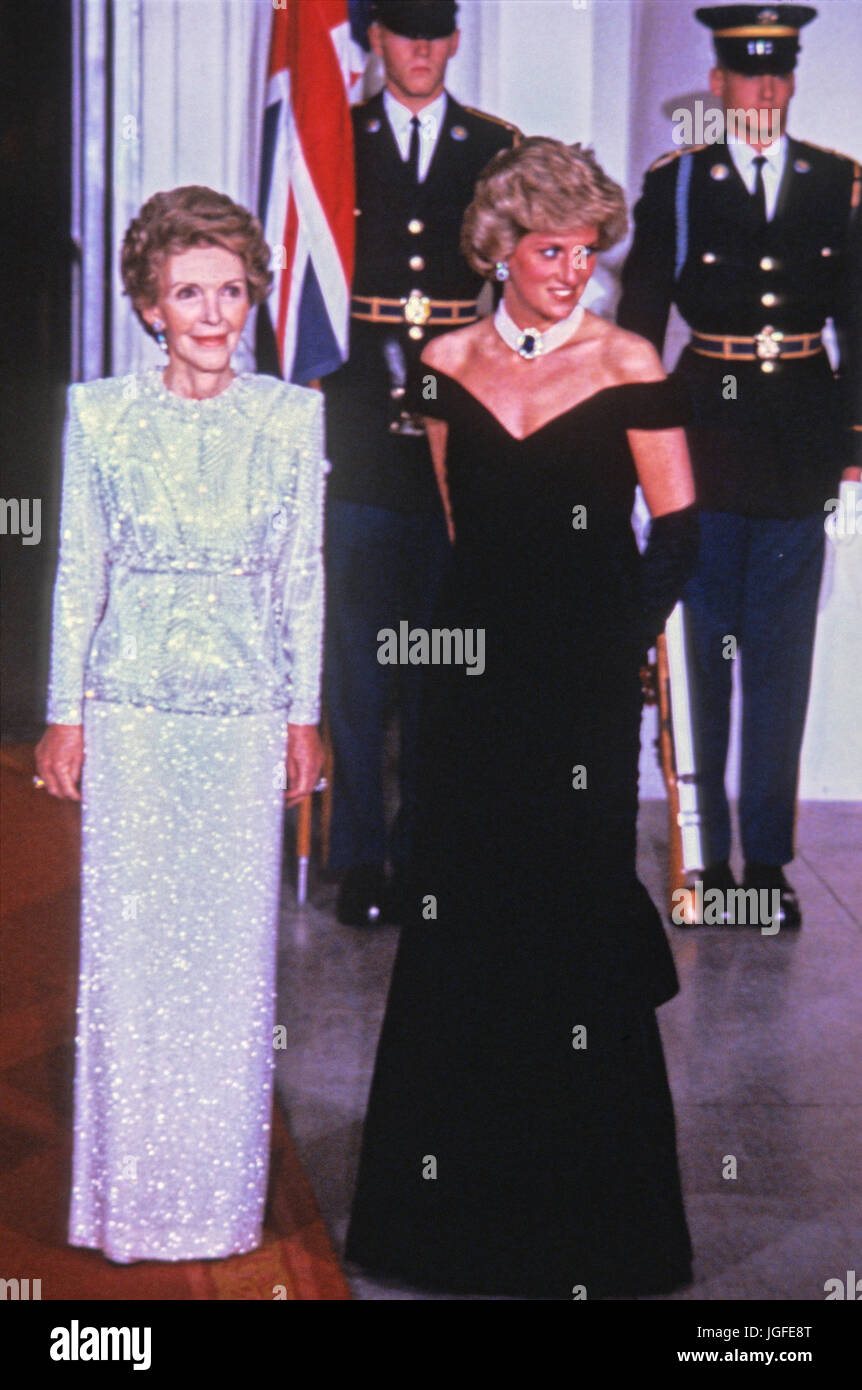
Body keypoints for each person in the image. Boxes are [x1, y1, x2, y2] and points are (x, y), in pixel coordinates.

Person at [345, 139, 698, 1299]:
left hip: (582, 687)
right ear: (500, 249)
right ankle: (442, 1229)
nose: (572, 270)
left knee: (571, 913)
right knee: (464, 914)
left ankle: (593, 1234)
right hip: (471, 686)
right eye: (550, 248)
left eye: (589, 248)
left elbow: (678, 534)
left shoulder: (629, 358)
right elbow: (461, 531)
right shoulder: (440, 364)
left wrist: (615, 645)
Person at [34, 186, 326, 1263]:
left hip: (244, 718)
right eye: (187, 292)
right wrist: (67, 715)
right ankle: (125, 1202)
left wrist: (304, 716)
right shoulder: (98, 413)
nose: (211, 311)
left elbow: (304, 575)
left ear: (252, 297)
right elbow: (79, 572)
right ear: (151, 306)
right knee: (134, 961)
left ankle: (215, 1203)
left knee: (229, 970)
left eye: (230, 290)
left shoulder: (292, 416)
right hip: (137, 715)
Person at [618, 4, 862, 928]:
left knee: (780, 667)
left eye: (777, 74)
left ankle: (766, 862)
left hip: (799, 446)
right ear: (716, 86)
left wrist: (853, 450)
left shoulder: (838, 184)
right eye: (744, 74)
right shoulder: (679, 187)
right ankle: (705, 856)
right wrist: (629, 445)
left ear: (791, 82)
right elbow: (641, 323)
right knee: (703, 658)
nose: (762, 90)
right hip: (702, 448)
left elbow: (858, 325)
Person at [321, 0, 519, 926]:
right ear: (373, 40)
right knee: (360, 661)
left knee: (443, 658)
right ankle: (360, 860)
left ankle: (429, 859)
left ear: (455, 38)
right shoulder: (332, 134)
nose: (423, 52)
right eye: (405, 34)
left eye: (438, 33)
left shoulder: (495, 145)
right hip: (356, 426)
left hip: (459, 429)